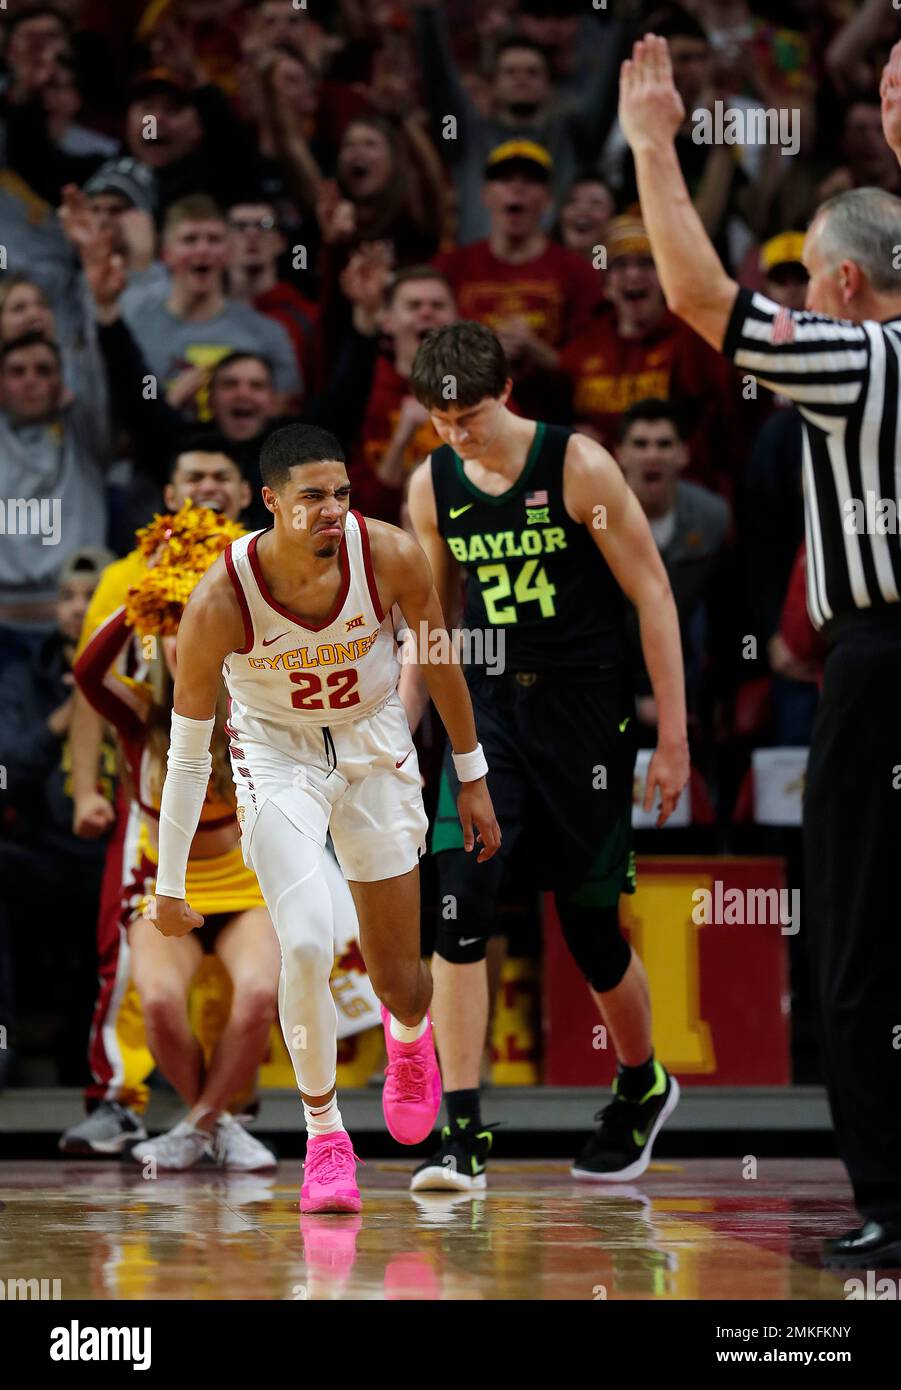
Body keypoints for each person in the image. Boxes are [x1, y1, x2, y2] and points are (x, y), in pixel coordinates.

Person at [618, 30, 901, 1267]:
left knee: (857, 945)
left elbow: (696, 298)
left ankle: (893, 1202)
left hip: (885, 671)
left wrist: (651, 147)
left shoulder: (858, 361)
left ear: (837, 287)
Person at [146, 422, 500, 1213]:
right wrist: (169, 885)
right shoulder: (219, 598)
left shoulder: (392, 555)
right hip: (277, 760)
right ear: (269, 503)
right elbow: (189, 751)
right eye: (312, 498)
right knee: (303, 941)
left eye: (341, 494)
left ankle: (409, 1037)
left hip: (376, 749)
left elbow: (438, 659)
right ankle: (324, 1139)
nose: (332, 510)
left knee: (398, 979)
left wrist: (471, 778)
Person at [403, 321, 687, 1191]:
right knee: (460, 907)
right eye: (442, 421)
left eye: (473, 417)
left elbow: (652, 592)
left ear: (507, 394)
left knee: (589, 928)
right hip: (486, 718)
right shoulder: (432, 482)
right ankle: (461, 1136)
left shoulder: (577, 465)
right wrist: (394, 744)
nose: (459, 434)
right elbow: (431, 625)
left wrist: (672, 737)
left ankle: (641, 1084)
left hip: (583, 716)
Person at [73, 502, 281, 1172]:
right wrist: (144, 595)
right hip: (166, 890)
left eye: (205, 626)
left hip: (246, 889)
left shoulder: (258, 704)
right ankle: (215, 1128)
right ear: (160, 639)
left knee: (256, 997)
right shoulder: (140, 713)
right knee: (159, 1004)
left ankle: (198, 1126)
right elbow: (87, 673)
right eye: (176, 629)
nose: (190, 642)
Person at [0, 546, 114, 1089]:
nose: (76, 608)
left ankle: (138, 1065)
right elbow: (8, 772)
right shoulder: (24, 676)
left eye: (91, 597)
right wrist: (62, 721)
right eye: (67, 596)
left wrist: (112, 714)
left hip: (119, 848)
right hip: (42, 849)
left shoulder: (139, 670)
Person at [433, 140, 604, 419]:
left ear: (548, 198)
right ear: (486, 195)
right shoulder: (451, 266)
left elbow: (594, 367)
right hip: (468, 419)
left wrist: (537, 350)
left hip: (552, 418)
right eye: (505, 179)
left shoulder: (578, 272)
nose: (517, 188)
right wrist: (486, 353)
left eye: (530, 180)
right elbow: (427, 349)